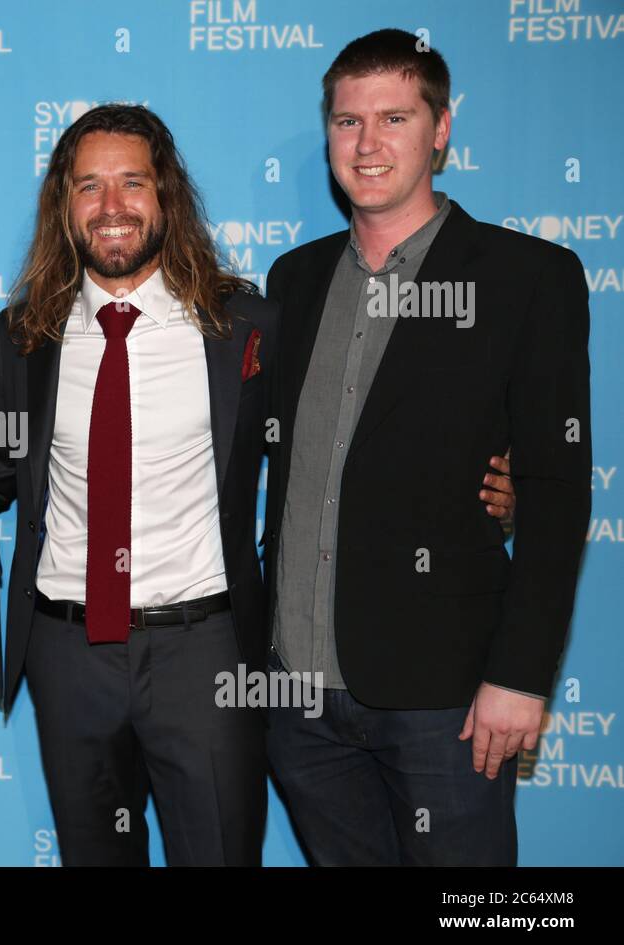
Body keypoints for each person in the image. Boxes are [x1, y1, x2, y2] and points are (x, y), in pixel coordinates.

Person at [263, 29, 591, 866]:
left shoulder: (528, 280)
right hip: (298, 689)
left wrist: (520, 678)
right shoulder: (293, 281)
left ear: (441, 130)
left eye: (395, 117)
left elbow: (555, 493)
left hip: (449, 699)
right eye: (347, 122)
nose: (368, 144)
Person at [0, 105, 278, 865]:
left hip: (205, 652)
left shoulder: (243, 326)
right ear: (64, 206)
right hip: (68, 650)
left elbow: (330, 450)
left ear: (166, 196)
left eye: (132, 184)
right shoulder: (23, 338)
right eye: (89, 187)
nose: (112, 207)